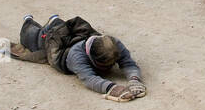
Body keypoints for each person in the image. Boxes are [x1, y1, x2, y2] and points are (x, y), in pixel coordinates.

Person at [10, 14, 146, 102]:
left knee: (58, 25)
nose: (111, 66)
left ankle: (55, 20)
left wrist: (134, 79)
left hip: (71, 36)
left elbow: (128, 63)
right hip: (52, 41)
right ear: (91, 58)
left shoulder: (113, 44)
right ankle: (29, 20)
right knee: (29, 36)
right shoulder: (75, 56)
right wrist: (112, 88)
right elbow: (89, 78)